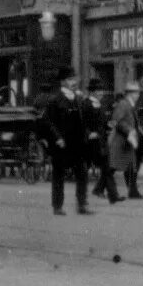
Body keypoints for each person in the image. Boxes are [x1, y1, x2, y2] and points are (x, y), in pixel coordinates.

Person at [41, 70, 95, 215]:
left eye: (75, 78)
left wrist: (87, 133)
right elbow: (47, 121)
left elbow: (84, 120)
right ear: (63, 82)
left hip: (78, 143)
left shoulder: (78, 98)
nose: (74, 82)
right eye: (70, 79)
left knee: (82, 173)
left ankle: (82, 204)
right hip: (62, 143)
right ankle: (57, 206)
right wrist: (57, 137)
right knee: (58, 174)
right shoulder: (55, 100)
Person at [108, 84, 143, 201]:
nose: (138, 95)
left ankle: (133, 191)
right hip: (121, 140)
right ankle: (101, 188)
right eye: (136, 93)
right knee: (112, 167)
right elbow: (117, 121)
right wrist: (129, 131)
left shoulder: (129, 104)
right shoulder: (123, 104)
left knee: (131, 166)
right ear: (130, 94)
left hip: (128, 140)